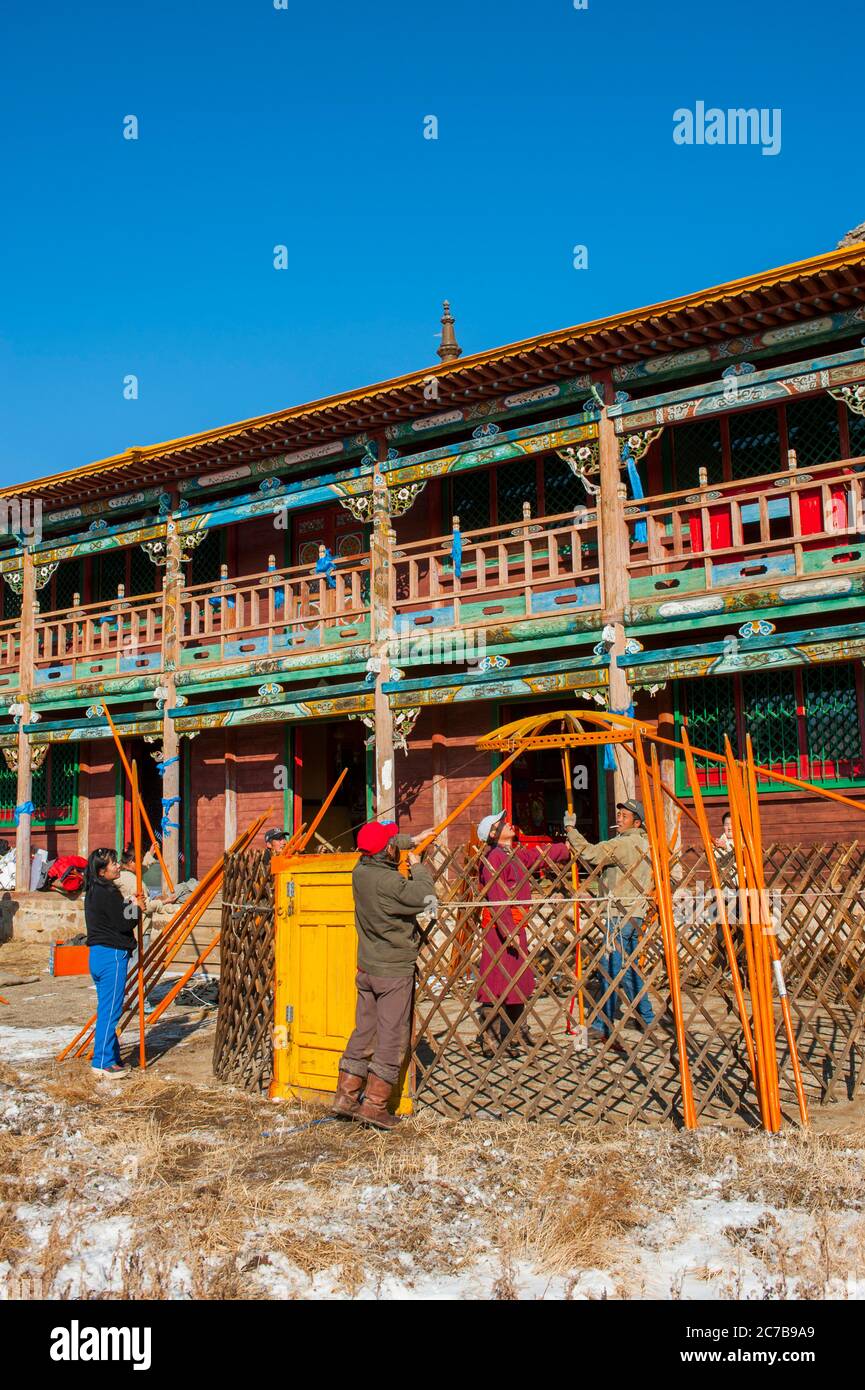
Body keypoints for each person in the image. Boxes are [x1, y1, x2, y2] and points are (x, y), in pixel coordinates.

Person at [332, 820, 437, 1129]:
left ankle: (346, 1096)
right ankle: (375, 1106)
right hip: (392, 971)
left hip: (367, 967)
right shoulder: (388, 883)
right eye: (393, 843)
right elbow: (426, 898)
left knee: (364, 1031)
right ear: (386, 850)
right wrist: (417, 866)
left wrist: (411, 839)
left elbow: (381, 844)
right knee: (391, 1037)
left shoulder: (360, 872)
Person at [474, 810, 576, 1060]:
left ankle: (517, 1034)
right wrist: (507, 929)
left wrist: (566, 848)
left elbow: (539, 856)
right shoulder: (493, 858)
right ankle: (491, 1039)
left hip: (516, 928)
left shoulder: (515, 854)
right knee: (496, 984)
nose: (509, 823)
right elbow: (497, 897)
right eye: (502, 823)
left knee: (517, 981)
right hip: (499, 931)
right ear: (494, 833)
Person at [564, 799, 656, 1042]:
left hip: (619, 916)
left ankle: (602, 1025)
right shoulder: (646, 843)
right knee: (630, 969)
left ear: (636, 822)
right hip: (635, 912)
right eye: (619, 814)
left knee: (611, 969)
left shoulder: (624, 844)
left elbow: (591, 854)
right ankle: (646, 1018)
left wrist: (571, 831)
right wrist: (596, 896)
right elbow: (622, 879)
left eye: (624, 816)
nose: (619, 818)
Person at [84, 847, 145, 1077]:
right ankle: (103, 1061)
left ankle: (112, 1055)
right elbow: (123, 924)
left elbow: (113, 916)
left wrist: (128, 903)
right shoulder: (107, 892)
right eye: (112, 864)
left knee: (106, 1009)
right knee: (111, 1012)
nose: (117, 865)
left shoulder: (93, 891)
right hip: (112, 955)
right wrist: (135, 909)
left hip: (98, 955)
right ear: (101, 871)